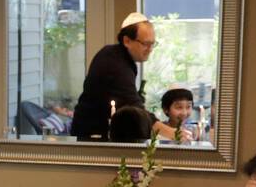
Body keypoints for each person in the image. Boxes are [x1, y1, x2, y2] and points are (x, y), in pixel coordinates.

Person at [68, 12, 180, 142]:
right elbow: (136, 108)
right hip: (92, 137)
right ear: (127, 41)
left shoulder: (118, 57)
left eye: (152, 44)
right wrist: (172, 133)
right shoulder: (114, 64)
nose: (150, 49)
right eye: (145, 44)